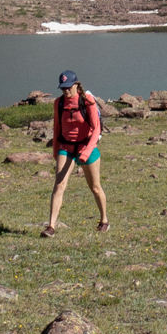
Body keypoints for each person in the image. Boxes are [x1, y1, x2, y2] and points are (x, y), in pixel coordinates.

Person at [43, 69, 109, 236]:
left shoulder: (87, 102)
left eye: (68, 87)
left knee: (94, 187)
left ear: (76, 85)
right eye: (63, 88)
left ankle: (104, 220)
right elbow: (57, 128)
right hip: (66, 148)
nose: (65, 91)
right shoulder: (58, 103)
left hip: (86, 147)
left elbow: (96, 129)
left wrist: (86, 153)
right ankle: (51, 227)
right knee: (59, 185)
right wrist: (55, 151)